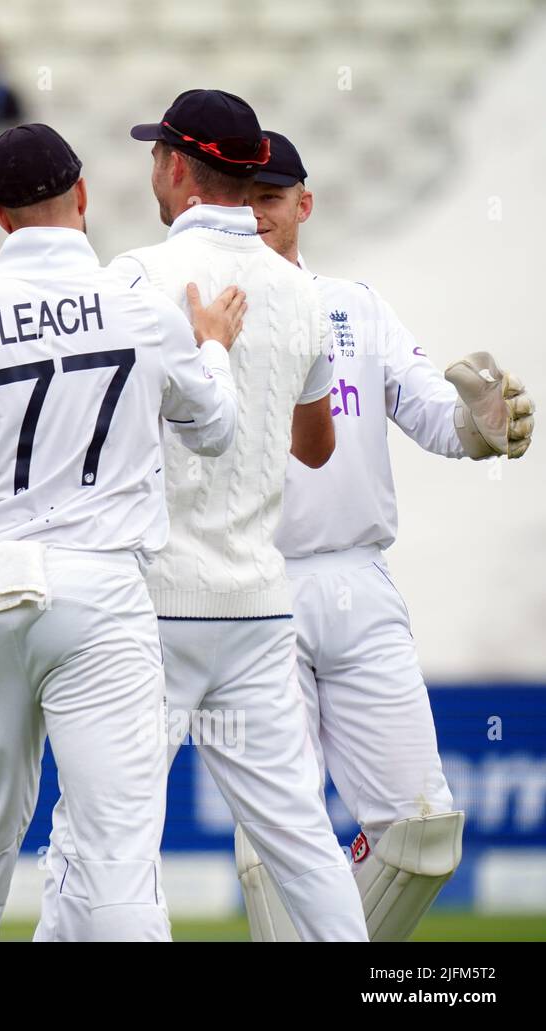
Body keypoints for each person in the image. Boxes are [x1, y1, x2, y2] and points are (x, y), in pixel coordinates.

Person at [0, 123, 242, 941]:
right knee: (118, 850)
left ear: (0, 217)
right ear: (81, 197)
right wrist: (214, 347)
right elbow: (215, 429)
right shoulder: (139, 305)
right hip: (101, 589)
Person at [37, 90, 370, 942]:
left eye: (157, 155)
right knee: (301, 838)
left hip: (148, 605)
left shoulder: (136, 275)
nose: (153, 167)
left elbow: (87, 425)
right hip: (257, 600)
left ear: (177, 168)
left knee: (102, 835)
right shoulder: (300, 292)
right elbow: (317, 447)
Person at [236, 130, 535, 940]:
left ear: (305, 202)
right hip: (253, 588)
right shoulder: (208, 312)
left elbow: (433, 412)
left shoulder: (355, 307)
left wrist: (480, 424)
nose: (258, 212)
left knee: (424, 832)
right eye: (244, 195)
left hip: (360, 577)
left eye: (273, 196)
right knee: (280, 841)